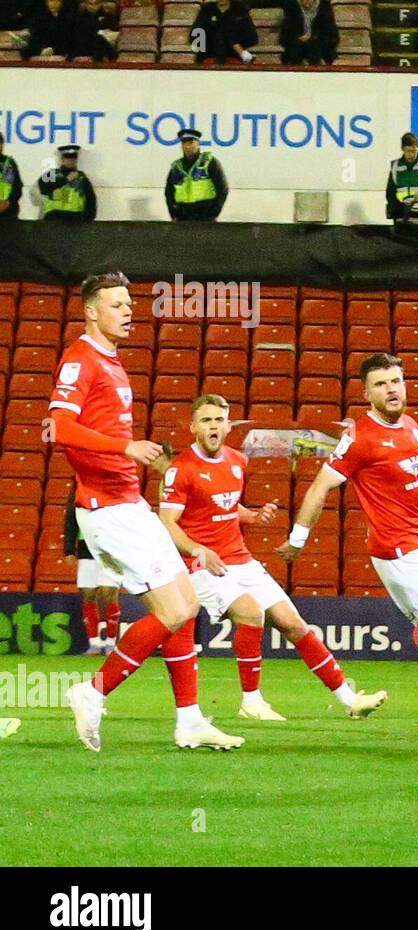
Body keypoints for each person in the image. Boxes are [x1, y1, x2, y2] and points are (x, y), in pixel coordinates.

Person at [55, 272, 243, 753]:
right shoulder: (81, 358)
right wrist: (124, 445)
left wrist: (130, 456)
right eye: (117, 304)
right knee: (177, 609)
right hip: (108, 508)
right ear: (92, 311)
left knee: (187, 605)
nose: (129, 310)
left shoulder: (112, 362)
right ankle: (92, 692)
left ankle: (190, 721)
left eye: (130, 303)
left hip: (128, 502)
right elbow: (61, 428)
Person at [277, 353, 418, 740]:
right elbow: (320, 486)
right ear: (366, 393)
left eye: (396, 381)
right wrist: (297, 540)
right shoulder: (360, 437)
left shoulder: (410, 425)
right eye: (381, 384)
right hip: (397, 549)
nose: (391, 389)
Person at [160, 394, 388, 722]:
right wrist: (198, 550)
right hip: (201, 563)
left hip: (240, 559)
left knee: (294, 624)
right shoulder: (180, 469)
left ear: (228, 425)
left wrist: (251, 516)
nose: (213, 426)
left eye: (219, 419)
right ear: (194, 426)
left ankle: (350, 698)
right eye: (207, 420)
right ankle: (251, 701)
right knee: (251, 613)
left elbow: (221, 506)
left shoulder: (237, 461)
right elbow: (168, 522)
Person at [63, 485, 122, 655]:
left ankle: (111, 642)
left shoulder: (111, 486)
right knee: (88, 594)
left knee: (109, 591)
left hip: (109, 549)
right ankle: (94, 643)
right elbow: (70, 518)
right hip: (85, 549)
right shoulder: (78, 489)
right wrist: (68, 549)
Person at [164, 129, 229, 222]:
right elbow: (169, 192)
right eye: (184, 143)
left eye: (191, 143)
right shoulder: (176, 167)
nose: (187, 146)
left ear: (198, 144)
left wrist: (214, 212)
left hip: (205, 215)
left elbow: (223, 188)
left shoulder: (209, 162)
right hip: (182, 216)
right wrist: (173, 213)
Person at [385, 132, 418, 224]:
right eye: (408, 151)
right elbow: (390, 191)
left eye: (414, 151)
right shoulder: (395, 165)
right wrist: (396, 207)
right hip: (401, 212)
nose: (411, 155)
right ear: (402, 149)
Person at [39, 144, 96, 222]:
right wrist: (66, 180)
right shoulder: (51, 174)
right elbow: (43, 189)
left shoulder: (82, 177)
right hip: (54, 217)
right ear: (62, 159)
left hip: (75, 219)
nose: (71, 161)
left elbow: (90, 200)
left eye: (74, 158)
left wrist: (87, 219)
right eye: (68, 158)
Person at [191, 0, 258, 64]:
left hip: (234, 58)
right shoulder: (206, 10)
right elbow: (194, 36)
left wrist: (234, 40)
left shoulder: (240, 11)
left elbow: (252, 38)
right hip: (208, 57)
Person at [279, 0, 337, 65]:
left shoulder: (325, 8)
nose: (307, 1)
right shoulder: (292, 8)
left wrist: (313, 38)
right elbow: (283, 39)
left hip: (320, 50)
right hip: (296, 49)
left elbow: (333, 38)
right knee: (296, 49)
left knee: (314, 47)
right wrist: (299, 38)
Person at [0, 131, 22, 219]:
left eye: (1, 143)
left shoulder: (8, 163)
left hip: (8, 213)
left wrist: (8, 202)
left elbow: (17, 187)